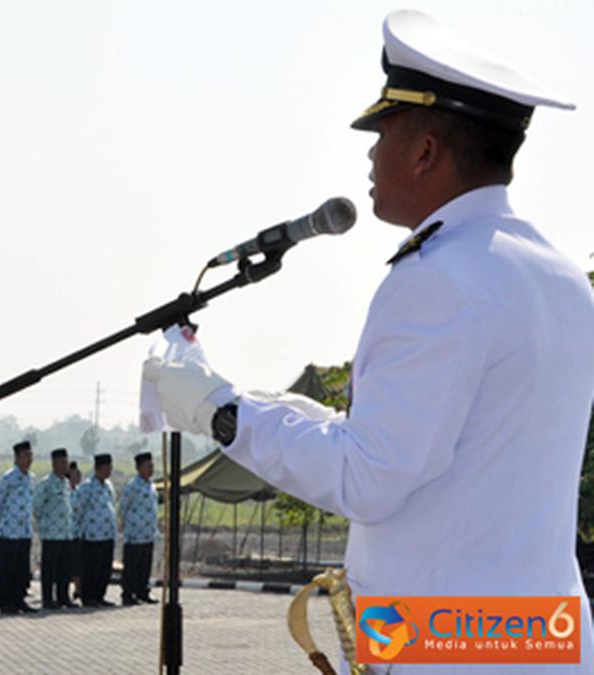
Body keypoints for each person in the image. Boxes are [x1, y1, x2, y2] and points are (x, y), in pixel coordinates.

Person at [143, 10, 592, 674]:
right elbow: (447, 448)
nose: (369, 153)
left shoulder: (436, 278)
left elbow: (371, 477)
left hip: (447, 650)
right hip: (542, 641)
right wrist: (281, 410)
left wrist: (220, 413)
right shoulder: (560, 278)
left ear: (425, 152)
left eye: (382, 130)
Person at [0, 441, 36, 614]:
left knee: (21, 570)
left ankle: (19, 600)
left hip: (24, 531)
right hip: (9, 531)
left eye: (30, 455)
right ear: (17, 458)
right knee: (7, 569)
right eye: (25, 455)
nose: (29, 459)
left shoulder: (31, 478)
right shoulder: (8, 478)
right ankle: (6, 602)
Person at [33, 447, 75, 609]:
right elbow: (36, 507)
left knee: (65, 568)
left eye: (66, 462)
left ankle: (63, 597)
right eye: (62, 463)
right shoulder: (46, 484)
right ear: (54, 464)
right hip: (51, 533)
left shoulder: (66, 483)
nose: (65, 466)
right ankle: (48, 599)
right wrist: (46, 523)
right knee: (49, 569)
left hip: (65, 532)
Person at [75, 454, 116, 608]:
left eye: (110, 468)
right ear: (97, 469)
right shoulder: (87, 487)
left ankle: (100, 596)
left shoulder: (108, 486)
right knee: (91, 568)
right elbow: (77, 508)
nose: (108, 472)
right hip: (92, 535)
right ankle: (88, 597)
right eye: (106, 468)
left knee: (104, 569)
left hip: (107, 534)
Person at [119, 452, 158, 605]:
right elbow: (123, 507)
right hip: (135, 534)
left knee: (145, 565)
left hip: (148, 534)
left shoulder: (152, 486)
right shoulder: (132, 486)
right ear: (138, 468)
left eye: (152, 466)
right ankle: (128, 594)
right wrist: (129, 524)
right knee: (132, 566)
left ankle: (143, 592)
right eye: (147, 466)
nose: (150, 469)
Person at [66, 461, 82, 600]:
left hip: (78, 532)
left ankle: (78, 589)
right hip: (66, 533)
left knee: (78, 563)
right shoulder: (65, 491)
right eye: (74, 474)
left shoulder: (79, 491)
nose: (77, 476)